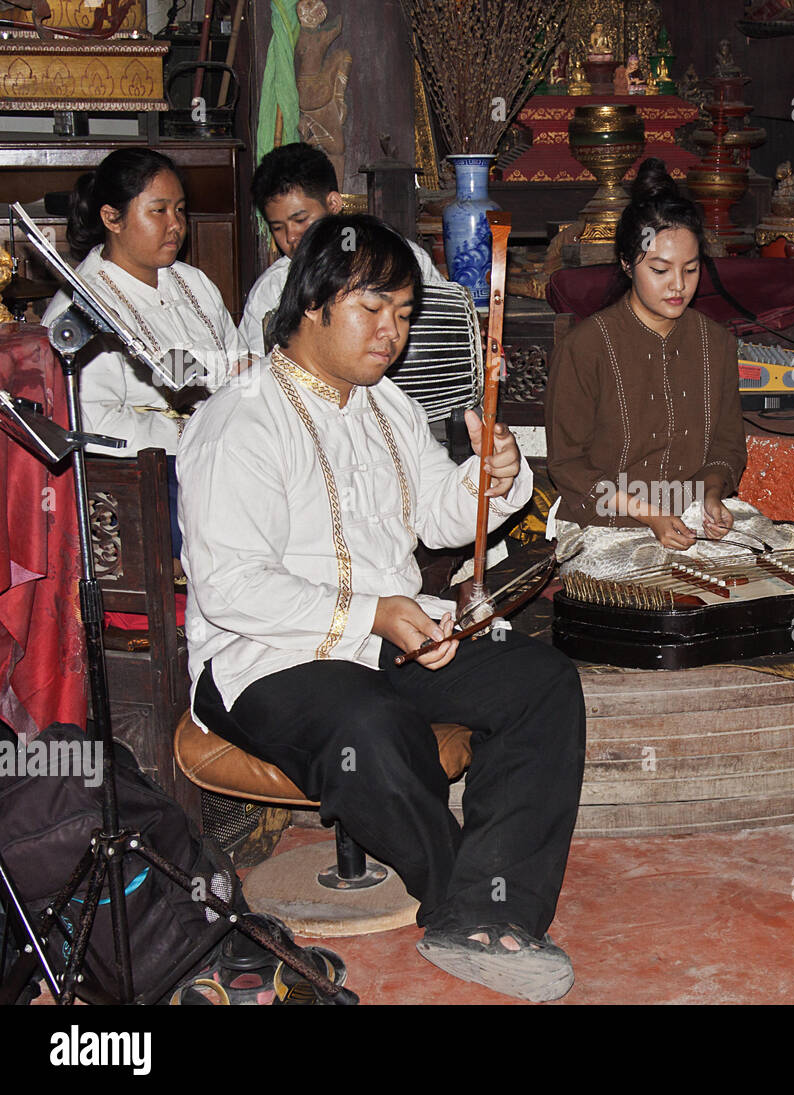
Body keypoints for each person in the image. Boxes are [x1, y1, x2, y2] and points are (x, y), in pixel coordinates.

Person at [180, 214, 586, 1001]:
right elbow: (232, 588)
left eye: (404, 314)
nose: (392, 333)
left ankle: (489, 906)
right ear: (315, 302)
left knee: (540, 681)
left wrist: (493, 473)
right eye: (375, 309)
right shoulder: (239, 421)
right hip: (266, 659)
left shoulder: (383, 405)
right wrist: (373, 612)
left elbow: (439, 513)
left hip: (387, 632)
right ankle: (461, 898)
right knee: (373, 727)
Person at [544, 158, 794, 578]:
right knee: (658, 586)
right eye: (660, 270)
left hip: (688, 512)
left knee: (783, 563)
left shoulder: (715, 343)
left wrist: (710, 497)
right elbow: (568, 466)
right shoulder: (586, 347)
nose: (678, 286)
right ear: (627, 264)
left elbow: (725, 446)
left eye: (690, 269)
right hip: (607, 518)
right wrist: (649, 515)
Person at [43, 147, 248, 556]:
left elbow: (232, 364)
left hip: (220, 457)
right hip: (149, 479)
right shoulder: (82, 308)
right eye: (158, 211)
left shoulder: (193, 283)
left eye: (180, 210)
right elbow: (94, 422)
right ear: (111, 218)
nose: (175, 226)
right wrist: (190, 431)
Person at [239, 142, 444, 357]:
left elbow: (447, 328)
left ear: (334, 204)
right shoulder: (272, 287)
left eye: (300, 220)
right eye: (278, 228)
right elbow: (252, 361)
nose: (291, 237)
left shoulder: (403, 259)